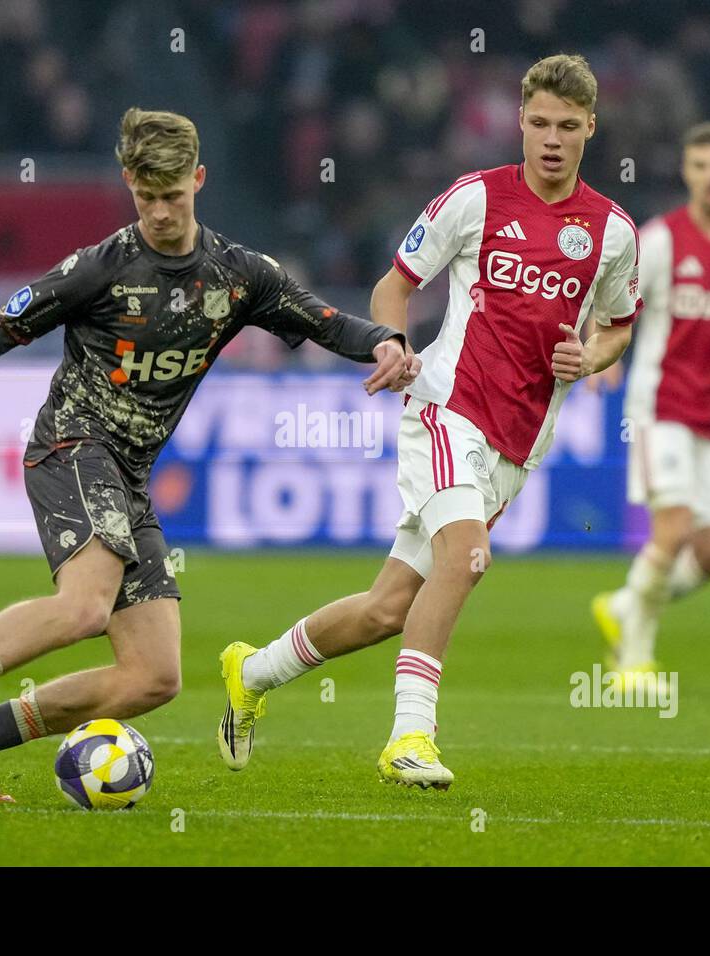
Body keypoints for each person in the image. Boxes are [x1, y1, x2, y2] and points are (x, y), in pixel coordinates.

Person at [0, 107, 416, 802]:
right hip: (74, 447)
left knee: (154, 677)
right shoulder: (97, 269)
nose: (162, 212)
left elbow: (326, 321)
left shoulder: (240, 275)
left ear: (199, 180)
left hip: (129, 477)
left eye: (174, 196)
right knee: (84, 608)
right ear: (128, 186)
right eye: (147, 198)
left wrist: (385, 340)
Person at [217, 54, 641, 790]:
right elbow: (395, 286)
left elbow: (619, 327)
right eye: (538, 122)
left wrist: (592, 354)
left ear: (590, 129)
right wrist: (394, 345)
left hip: (519, 443)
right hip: (446, 407)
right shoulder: (473, 199)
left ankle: (251, 672)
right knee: (467, 560)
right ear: (519, 120)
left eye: (567, 127)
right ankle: (409, 735)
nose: (550, 138)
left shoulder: (611, 232)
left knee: (387, 608)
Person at [592, 122, 710, 680]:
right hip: (662, 404)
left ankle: (624, 604)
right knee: (672, 532)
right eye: (700, 166)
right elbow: (613, 299)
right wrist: (609, 351)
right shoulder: (659, 240)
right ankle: (634, 658)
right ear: (686, 173)